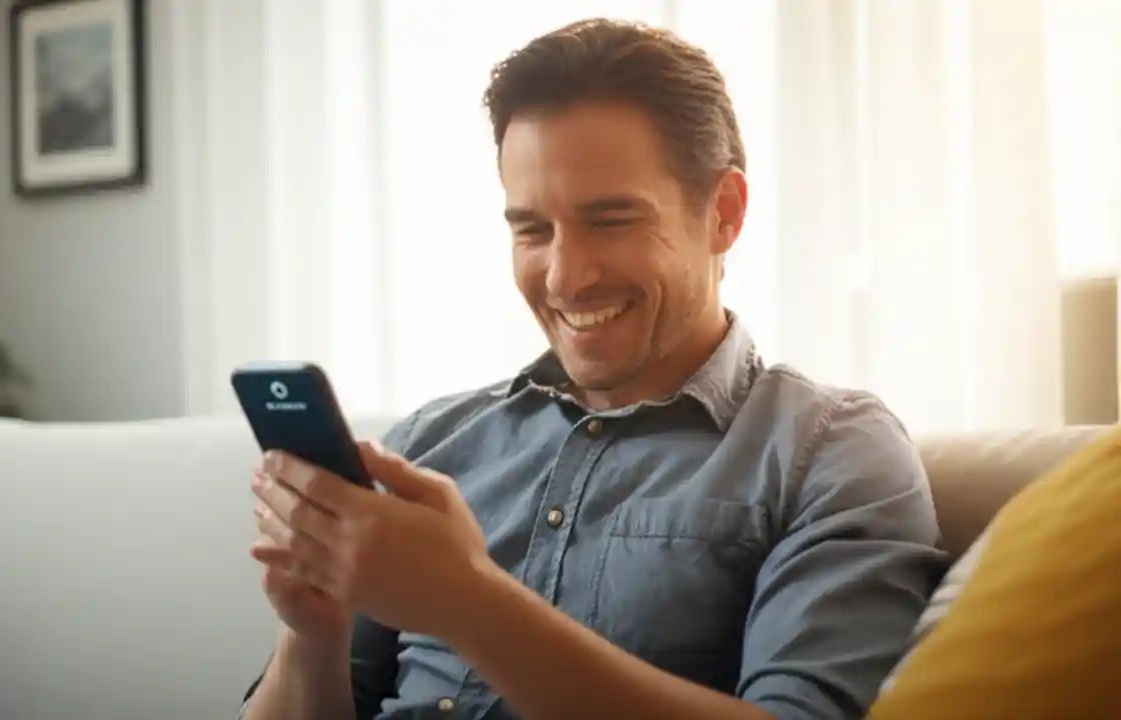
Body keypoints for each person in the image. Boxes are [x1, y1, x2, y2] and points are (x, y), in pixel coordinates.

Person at [239, 18, 949, 720]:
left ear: (724, 213)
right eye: (532, 230)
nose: (566, 278)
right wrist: (313, 633)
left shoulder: (829, 453)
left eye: (610, 221)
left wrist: (466, 601)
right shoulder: (430, 443)